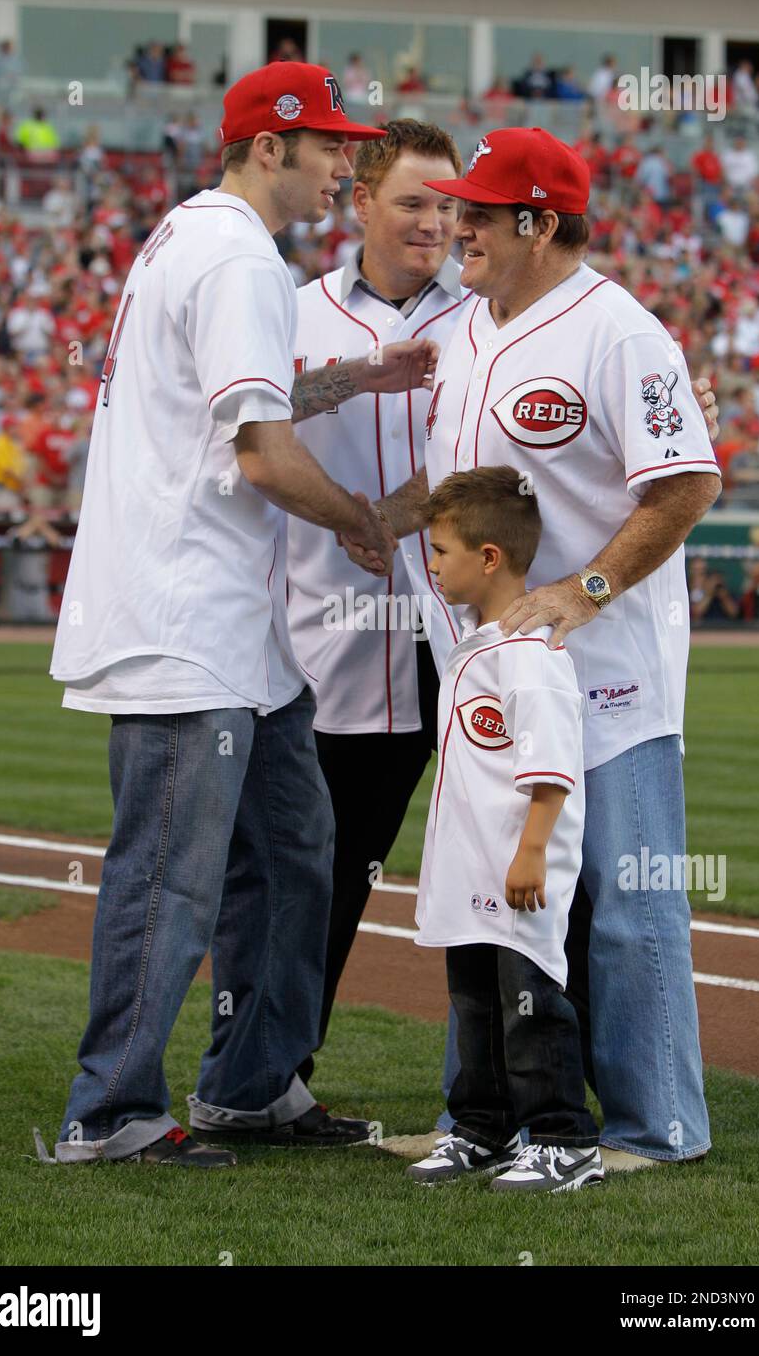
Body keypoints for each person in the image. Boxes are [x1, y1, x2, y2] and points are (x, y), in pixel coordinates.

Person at [41, 61, 435, 1169]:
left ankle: (251, 1085)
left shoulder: (193, 238)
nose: (341, 171)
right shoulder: (235, 255)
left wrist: (354, 378)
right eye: (328, 152)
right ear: (271, 147)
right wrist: (364, 521)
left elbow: (244, 401)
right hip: (185, 620)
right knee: (169, 869)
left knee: (300, 847)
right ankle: (108, 1111)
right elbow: (259, 454)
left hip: (235, 631)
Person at [343, 127, 721, 1171]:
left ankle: (658, 1128)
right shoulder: (465, 328)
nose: (455, 225)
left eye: (478, 211)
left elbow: (687, 481)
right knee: (490, 901)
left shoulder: (618, 331)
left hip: (609, 671)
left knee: (626, 907)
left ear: (539, 223)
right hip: (485, 670)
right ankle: (497, 1117)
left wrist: (587, 587)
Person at [287, 119, 467, 1087]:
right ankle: (277, 1072)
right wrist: (351, 380)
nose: (433, 222)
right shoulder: (294, 310)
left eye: (447, 205)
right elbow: (252, 413)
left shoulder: (482, 315)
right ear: (358, 200)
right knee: (327, 868)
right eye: (411, 202)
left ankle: (517, 1092)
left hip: (466, 633)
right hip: (335, 635)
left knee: (499, 857)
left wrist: (389, 520)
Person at [406, 467, 603, 1194]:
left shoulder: (530, 656)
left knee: (533, 1008)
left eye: (442, 550)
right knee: (477, 1009)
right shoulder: (477, 645)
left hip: (518, 873)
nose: (432, 563)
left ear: (489, 557)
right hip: (472, 872)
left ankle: (562, 1139)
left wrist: (530, 855)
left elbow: (550, 772)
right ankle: (481, 1130)